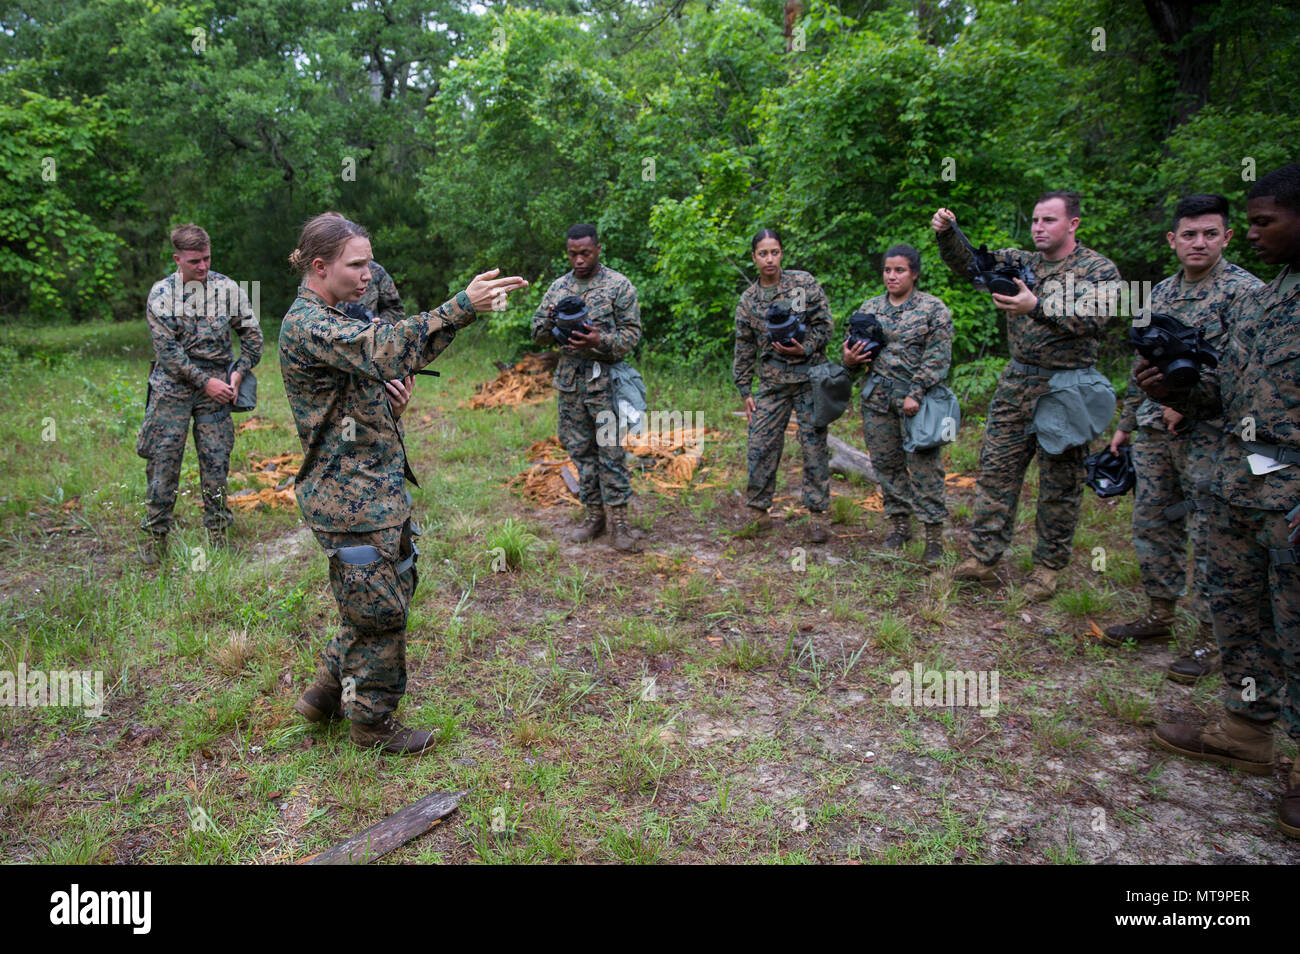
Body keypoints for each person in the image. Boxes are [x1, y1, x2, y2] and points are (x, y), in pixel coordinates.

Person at [280, 212, 526, 754]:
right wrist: (463, 306)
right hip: (349, 499)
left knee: (385, 594)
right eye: (357, 265)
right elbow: (387, 347)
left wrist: (394, 402)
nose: (369, 275)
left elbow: (384, 363)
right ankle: (371, 723)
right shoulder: (310, 323)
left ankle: (326, 692)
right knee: (379, 611)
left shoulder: (336, 315)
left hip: (376, 488)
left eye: (369, 263)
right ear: (321, 267)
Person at [1138, 162, 1300, 838]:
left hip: (1289, 492)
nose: (1251, 235)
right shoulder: (1270, 297)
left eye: (1263, 223)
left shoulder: (1251, 288)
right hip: (1234, 484)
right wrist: (1171, 391)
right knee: (1238, 607)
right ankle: (1245, 726)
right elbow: (1224, 393)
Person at [1104, 194, 1264, 683]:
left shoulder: (1246, 293)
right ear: (1172, 240)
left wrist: (1184, 403)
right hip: (1154, 432)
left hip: (1213, 435)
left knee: (1211, 537)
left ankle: (1208, 641)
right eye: (1189, 234)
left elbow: (1250, 375)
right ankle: (1159, 614)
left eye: (1210, 233)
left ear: (1227, 237)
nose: (1199, 243)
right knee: (1153, 523)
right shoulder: (1158, 295)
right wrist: (1126, 423)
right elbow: (1140, 367)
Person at [932, 192, 1121, 601]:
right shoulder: (1019, 262)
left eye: (1049, 220)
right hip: (1018, 383)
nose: (1039, 228)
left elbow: (1097, 317)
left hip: (1067, 387)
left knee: (1060, 482)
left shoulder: (1097, 269)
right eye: (1035, 220)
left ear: (1072, 224)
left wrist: (1037, 305)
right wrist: (947, 234)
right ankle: (984, 557)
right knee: (996, 472)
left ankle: (1048, 567)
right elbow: (970, 264)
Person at [138, 223, 262, 564]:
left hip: (218, 391)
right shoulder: (162, 294)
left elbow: (252, 336)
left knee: (216, 465)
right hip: (172, 390)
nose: (203, 267)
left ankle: (220, 535)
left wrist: (238, 373)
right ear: (178, 259)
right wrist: (203, 381)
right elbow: (168, 353)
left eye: (207, 258)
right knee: (163, 466)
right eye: (195, 261)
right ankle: (154, 541)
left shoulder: (227, 289)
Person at [529, 224, 643, 552]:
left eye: (585, 253)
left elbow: (632, 336)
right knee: (580, 451)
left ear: (598, 250)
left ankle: (620, 522)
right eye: (572, 254)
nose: (579, 260)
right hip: (570, 384)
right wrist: (550, 322)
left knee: (611, 452)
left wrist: (599, 340)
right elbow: (536, 332)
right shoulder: (559, 287)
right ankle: (594, 516)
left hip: (605, 382)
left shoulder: (618, 285)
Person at [842, 244, 954, 566]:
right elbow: (852, 348)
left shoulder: (933, 309)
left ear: (914, 273)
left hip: (917, 403)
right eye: (888, 270)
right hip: (877, 401)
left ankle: (933, 538)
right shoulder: (870, 307)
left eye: (899, 270)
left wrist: (916, 392)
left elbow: (938, 357)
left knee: (925, 469)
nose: (892, 276)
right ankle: (901, 527)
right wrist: (848, 358)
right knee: (887, 466)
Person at [733, 228, 834, 542]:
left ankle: (817, 515)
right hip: (772, 384)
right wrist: (744, 389)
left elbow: (825, 325)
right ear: (754, 258)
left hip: (808, 380)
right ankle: (758, 512)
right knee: (760, 445)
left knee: (814, 447)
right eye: (763, 253)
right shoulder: (749, 300)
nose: (769, 259)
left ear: (782, 253)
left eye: (774, 252)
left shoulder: (802, 284)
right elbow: (744, 346)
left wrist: (805, 347)